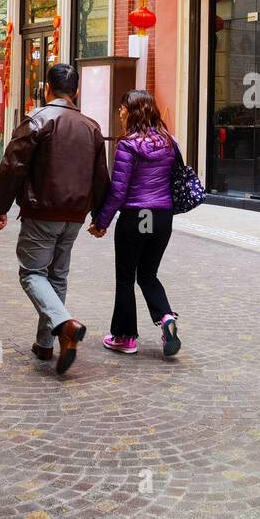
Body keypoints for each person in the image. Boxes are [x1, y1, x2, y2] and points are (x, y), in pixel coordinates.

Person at [0, 63, 109, 376]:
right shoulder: (92, 127)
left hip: (41, 211)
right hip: (74, 216)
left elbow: (11, 166)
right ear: (76, 91)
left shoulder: (37, 120)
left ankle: (64, 324)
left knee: (31, 274)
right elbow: (101, 178)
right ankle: (45, 344)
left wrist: (0, 206)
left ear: (46, 88)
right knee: (56, 277)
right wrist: (100, 216)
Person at [90, 90, 182, 358]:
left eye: (122, 108)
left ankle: (124, 337)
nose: (120, 113)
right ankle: (166, 318)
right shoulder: (169, 142)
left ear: (132, 111)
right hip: (162, 217)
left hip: (136, 216)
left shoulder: (128, 146)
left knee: (126, 278)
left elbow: (119, 191)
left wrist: (101, 222)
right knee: (148, 274)